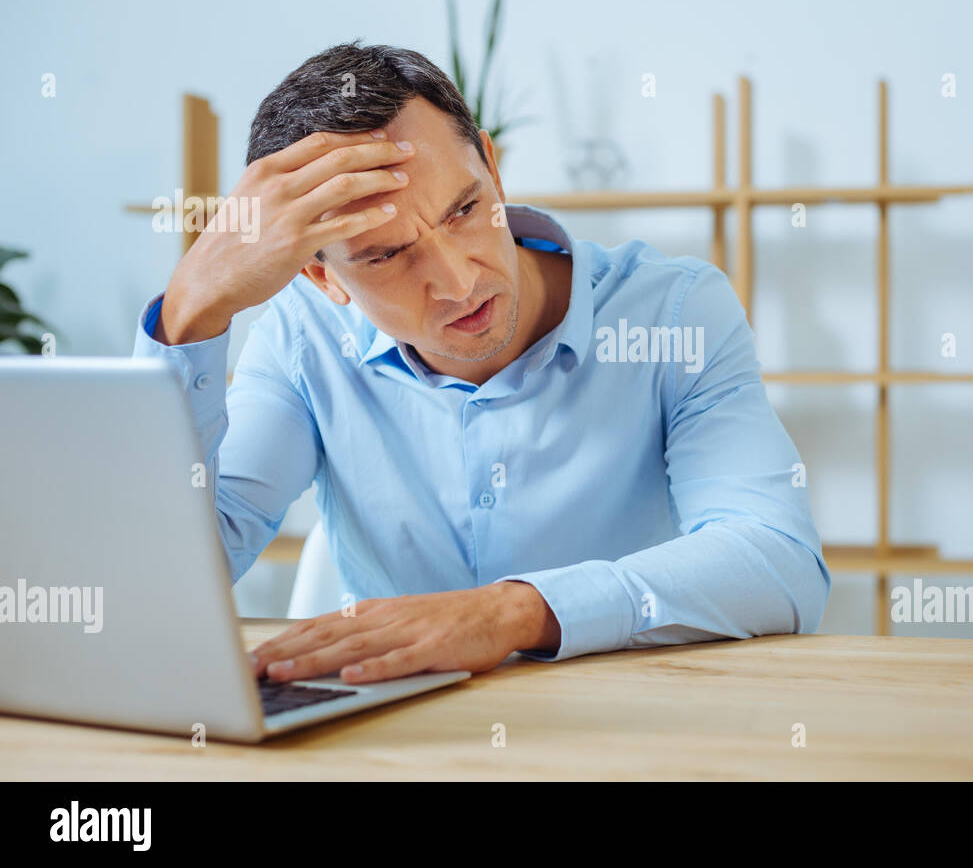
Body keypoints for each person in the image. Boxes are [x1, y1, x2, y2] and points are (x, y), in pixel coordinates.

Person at [133, 42, 829, 683]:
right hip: (393, 739)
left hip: (626, 726)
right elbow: (166, 578)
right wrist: (188, 313)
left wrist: (512, 612)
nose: (459, 281)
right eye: (386, 255)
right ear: (324, 279)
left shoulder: (674, 313)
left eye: (465, 209)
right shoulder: (301, 338)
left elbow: (777, 558)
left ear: (492, 168)